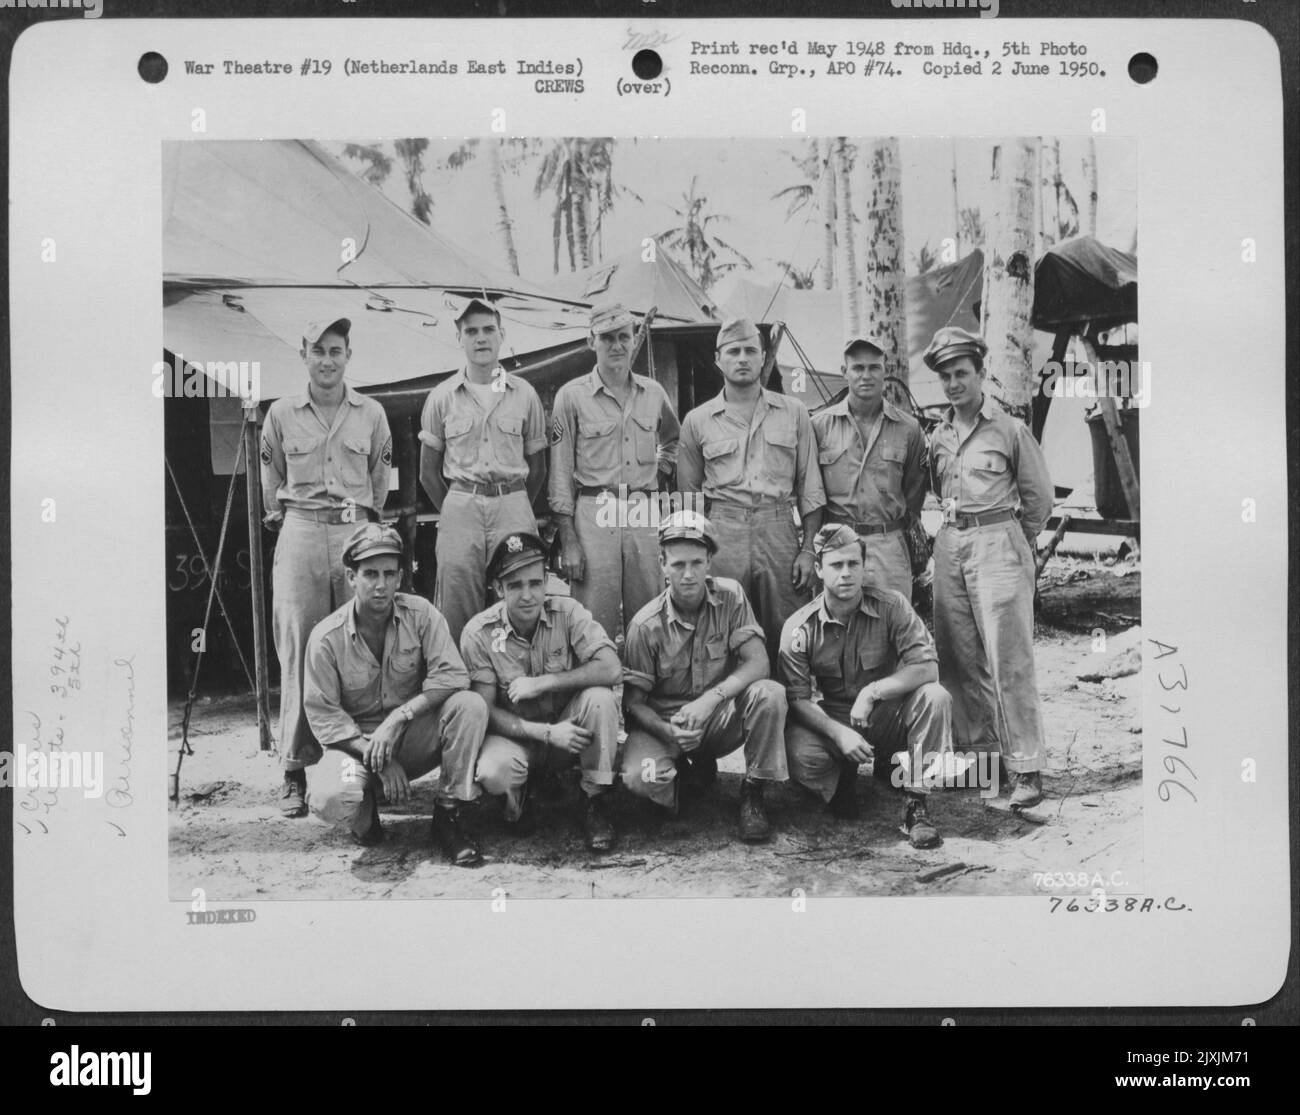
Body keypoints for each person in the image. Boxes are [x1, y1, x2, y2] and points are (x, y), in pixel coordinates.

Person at [260, 317, 392, 819]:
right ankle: (294, 767)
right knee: (298, 646)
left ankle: (364, 763)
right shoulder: (280, 414)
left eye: (336, 351)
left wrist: (357, 518)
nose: (327, 360)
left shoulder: (372, 413)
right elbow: (270, 480)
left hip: (355, 531)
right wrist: (298, 516)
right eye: (318, 350)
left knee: (360, 643)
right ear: (303, 354)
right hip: (300, 528)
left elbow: (379, 484)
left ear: (348, 356)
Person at [302, 524, 488, 865]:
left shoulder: (421, 615)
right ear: (351, 577)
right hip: (355, 748)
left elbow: (453, 675)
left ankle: (448, 814)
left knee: (469, 705)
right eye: (370, 573)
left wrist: (399, 717)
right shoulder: (326, 638)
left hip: (410, 736)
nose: (381, 584)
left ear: (401, 577)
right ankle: (364, 810)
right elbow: (324, 717)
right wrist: (379, 757)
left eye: (389, 574)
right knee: (331, 797)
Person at [924, 326, 1054, 808]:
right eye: (946, 377)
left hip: (998, 540)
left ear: (981, 374)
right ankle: (984, 759)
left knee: (1009, 659)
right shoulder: (937, 435)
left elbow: (1039, 498)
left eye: (962, 373)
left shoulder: (1009, 429)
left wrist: (1014, 541)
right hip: (951, 542)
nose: (954, 384)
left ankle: (1028, 768)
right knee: (957, 660)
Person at [621, 510, 789, 843]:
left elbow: (758, 664)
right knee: (640, 777)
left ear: (710, 561)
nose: (688, 575)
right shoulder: (644, 625)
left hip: (716, 715)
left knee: (769, 694)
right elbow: (633, 703)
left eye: (697, 563)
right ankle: (683, 777)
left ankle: (753, 791)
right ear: (662, 565)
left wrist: (710, 700)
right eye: (678, 565)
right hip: (667, 723)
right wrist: (668, 732)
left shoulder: (732, 596)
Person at [780, 525, 954, 848]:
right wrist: (838, 733)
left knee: (936, 698)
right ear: (818, 569)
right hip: (835, 716)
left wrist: (872, 692)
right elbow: (797, 699)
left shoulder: (893, 606)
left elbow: (928, 667)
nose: (845, 574)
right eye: (835, 565)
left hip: (884, 711)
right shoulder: (799, 628)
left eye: (853, 564)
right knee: (796, 748)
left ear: (863, 566)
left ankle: (915, 802)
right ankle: (839, 784)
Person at [459, 533, 622, 852]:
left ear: (546, 581)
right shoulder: (479, 634)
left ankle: (594, 800)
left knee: (600, 699)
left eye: (535, 583)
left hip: (567, 734)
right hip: (519, 737)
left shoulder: (568, 612)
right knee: (494, 770)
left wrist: (546, 682)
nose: (528, 595)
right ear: (498, 588)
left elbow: (611, 667)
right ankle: (517, 805)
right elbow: (484, 711)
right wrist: (547, 733)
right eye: (515, 586)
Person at [676, 317, 825, 665]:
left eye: (750, 351)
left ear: (763, 357)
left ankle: (788, 710)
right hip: (722, 530)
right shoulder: (697, 421)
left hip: (778, 530)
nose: (742, 358)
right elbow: (688, 499)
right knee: (721, 623)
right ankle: (730, 710)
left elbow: (811, 490)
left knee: (788, 627)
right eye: (733, 352)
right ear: (718, 360)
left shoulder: (794, 412)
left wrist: (807, 550)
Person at [548, 302, 681, 645]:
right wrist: (569, 539)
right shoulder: (571, 396)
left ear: (634, 339)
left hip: (641, 509)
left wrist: (660, 471)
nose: (617, 345)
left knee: (650, 613)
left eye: (624, 336)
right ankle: (598, 694)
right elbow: (560, 472)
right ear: (591, 341)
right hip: (594, 511)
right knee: (593, 617)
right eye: (607, 338)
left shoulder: (653, 393)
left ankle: (644, 694)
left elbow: (673, 440)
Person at [418, 297, 548, 644]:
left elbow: (538, 468)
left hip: (512, 501)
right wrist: (459, 504)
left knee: (519, 597)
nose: (481, 338)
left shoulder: (525, 394)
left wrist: (514, 502)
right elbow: (427, 473)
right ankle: (462, 692)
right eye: (471, 331)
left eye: (488, 329)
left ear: (501, 334)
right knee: (459, 602)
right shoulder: (442, 396)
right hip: (462, 503)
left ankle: (516, 688)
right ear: (459, 338)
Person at [811, 336, 928, 598]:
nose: (866, 375)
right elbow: (811, 493)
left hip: (888, 546)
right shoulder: (819, 427)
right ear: (845, 372)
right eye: (858, 368)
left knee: (893, 628)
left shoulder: (908, 429)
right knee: (838, 631)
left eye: (874, 367)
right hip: (837, 544)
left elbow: (914, 492)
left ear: (885, 370)